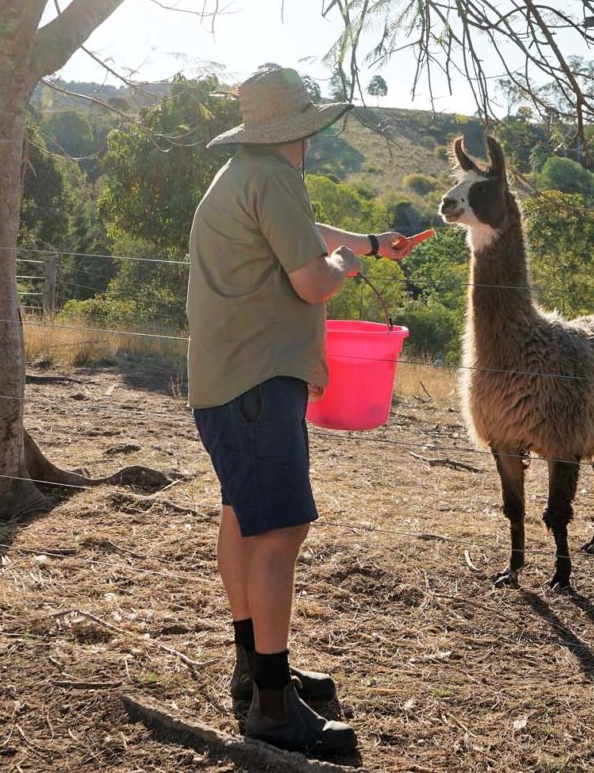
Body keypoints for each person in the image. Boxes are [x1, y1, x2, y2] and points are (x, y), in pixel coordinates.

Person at [186, 65, 419, 754]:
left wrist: (367, 243)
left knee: (244, 517)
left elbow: (298, 229)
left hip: (227, 381)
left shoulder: (243, 173)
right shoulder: (276, 176)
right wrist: (348, 264)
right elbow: (316, 281)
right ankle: (272, 707)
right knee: (280, 534)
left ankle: (255, 671)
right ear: (303, 130)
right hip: (259, 381)